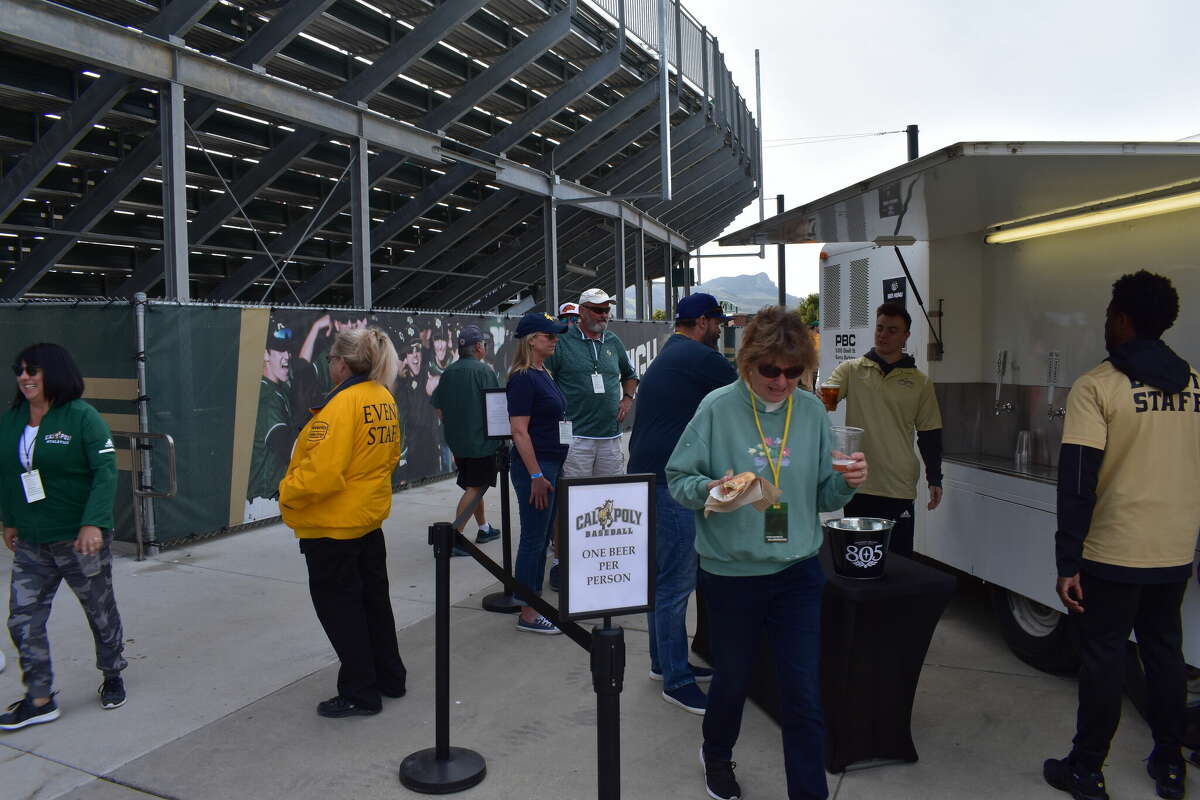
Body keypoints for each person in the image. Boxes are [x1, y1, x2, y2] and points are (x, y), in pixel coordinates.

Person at [666, 307, 867, 800]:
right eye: (770, 370)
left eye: (793, 371)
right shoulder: (717, 408)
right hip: (731, 573)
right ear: (748, 363)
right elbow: (678, 481)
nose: (781, 381)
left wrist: (846, 484)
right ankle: (716, 755)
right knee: (734, 679)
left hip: (798, 571)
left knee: (801, 693)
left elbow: (822, 496)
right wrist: (715, 489)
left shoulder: (813, 411)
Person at [1043, 270, 1200, 800]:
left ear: (1124, 320)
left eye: (1111, 315)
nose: (1106, 325)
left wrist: (1068, 561)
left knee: (1105, 657)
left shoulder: (1097, 386)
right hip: (1175, 549)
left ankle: (1087, 768)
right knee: (1164, 653)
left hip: (1113, 552)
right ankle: (1170, 763)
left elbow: (1079, 481)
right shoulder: (1197, 385)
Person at [278, 327, 407, 718]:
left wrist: (287, 491)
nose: (329, 365)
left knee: (342, 611)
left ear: (341, 364)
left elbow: (320, 473)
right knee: (374, 603)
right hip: (367, 519)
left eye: (331, 359)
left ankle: (359, 691)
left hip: (332, 528)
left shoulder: (339, 407)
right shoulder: (382, 397)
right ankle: (389, 676)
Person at [0, 343, 125, 730]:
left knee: (100, 613)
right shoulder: (14, 418)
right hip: (33, 540)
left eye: (32, 371)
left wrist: (93, 523)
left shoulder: (81, 418)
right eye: (20, 370)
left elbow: (106, 472)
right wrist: (9, 520)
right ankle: (39, 699)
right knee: (22, 619)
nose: (24, 378)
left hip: (78, 539)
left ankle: (113, 674)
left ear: (52, 373)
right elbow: (7, 473)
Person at [627, 293, 737, 715]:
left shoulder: (671, 351)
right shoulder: (699, 356)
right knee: (675, 583)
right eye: (717, 322)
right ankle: (676, 678)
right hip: (669, 484)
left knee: (662, 580)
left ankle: (663, 662)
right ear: (704, 322)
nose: (721, 329)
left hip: (648, 476)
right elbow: (750, 391)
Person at [823, 302, 943, 555]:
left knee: (898, 562)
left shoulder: (920, 382)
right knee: (859, 559)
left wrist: (935, 478)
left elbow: (929, 433)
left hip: (898, 486)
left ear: (905, 336)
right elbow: (823, 403)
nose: (883, 334)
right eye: (879, 328)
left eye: (892, 330)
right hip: (857, 483)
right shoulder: (851, 371)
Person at [545, 289, 638, 588]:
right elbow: (546, 378)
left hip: (610, 438)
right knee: (570, 501)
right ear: (582, 311)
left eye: (606, 309)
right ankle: (562, 560)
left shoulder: (613, 342)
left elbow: (630, 374)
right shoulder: (563, 342)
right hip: (576, 438)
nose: (604, 315)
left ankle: (601, 556)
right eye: (597, 310)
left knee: (609, 502)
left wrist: (627, 398)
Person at [506, 312, 570, 635]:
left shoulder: (542, 373)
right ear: (532, 340)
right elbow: (519, 431)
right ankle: (528, 612)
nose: (555, 339)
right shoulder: (523, 378)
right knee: (534, 539)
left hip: (550, 464)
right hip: (537, 466)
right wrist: (535, 475)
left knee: (541, 536)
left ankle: (533, 604)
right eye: (549, 335)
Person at [431, 324, 501, 556]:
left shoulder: (449, 372)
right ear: (479, 347)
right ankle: (455, 537)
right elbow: (495, 408)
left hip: (458, 443)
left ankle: (484, 528)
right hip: (481, 442)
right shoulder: (484, 371)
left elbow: (439, 409)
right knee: (476, 487)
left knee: (474, 485)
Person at [246, 322, 293, 516]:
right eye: (280, 349)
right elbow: (286, 446)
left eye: (289, 349)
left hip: (270, 498)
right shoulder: (267, 396)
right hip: (264, 502)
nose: (287, 356)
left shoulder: (276, 389)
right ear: (265, 354)